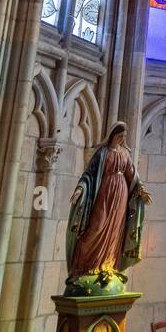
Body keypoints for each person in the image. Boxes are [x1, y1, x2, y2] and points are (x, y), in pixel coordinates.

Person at [65, 121, 151, 295]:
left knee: (114, 231)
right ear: (112, 135)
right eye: (119, 136)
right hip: (104, 193)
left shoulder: (125, 154)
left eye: (124, 137)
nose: (121, 139)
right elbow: (89, 174)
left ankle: (108, 265)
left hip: (120, 196)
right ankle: (83, 267)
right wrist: (80, 189)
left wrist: (141, 191)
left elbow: (132, 176)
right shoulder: (102, 153)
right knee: (97, 227)